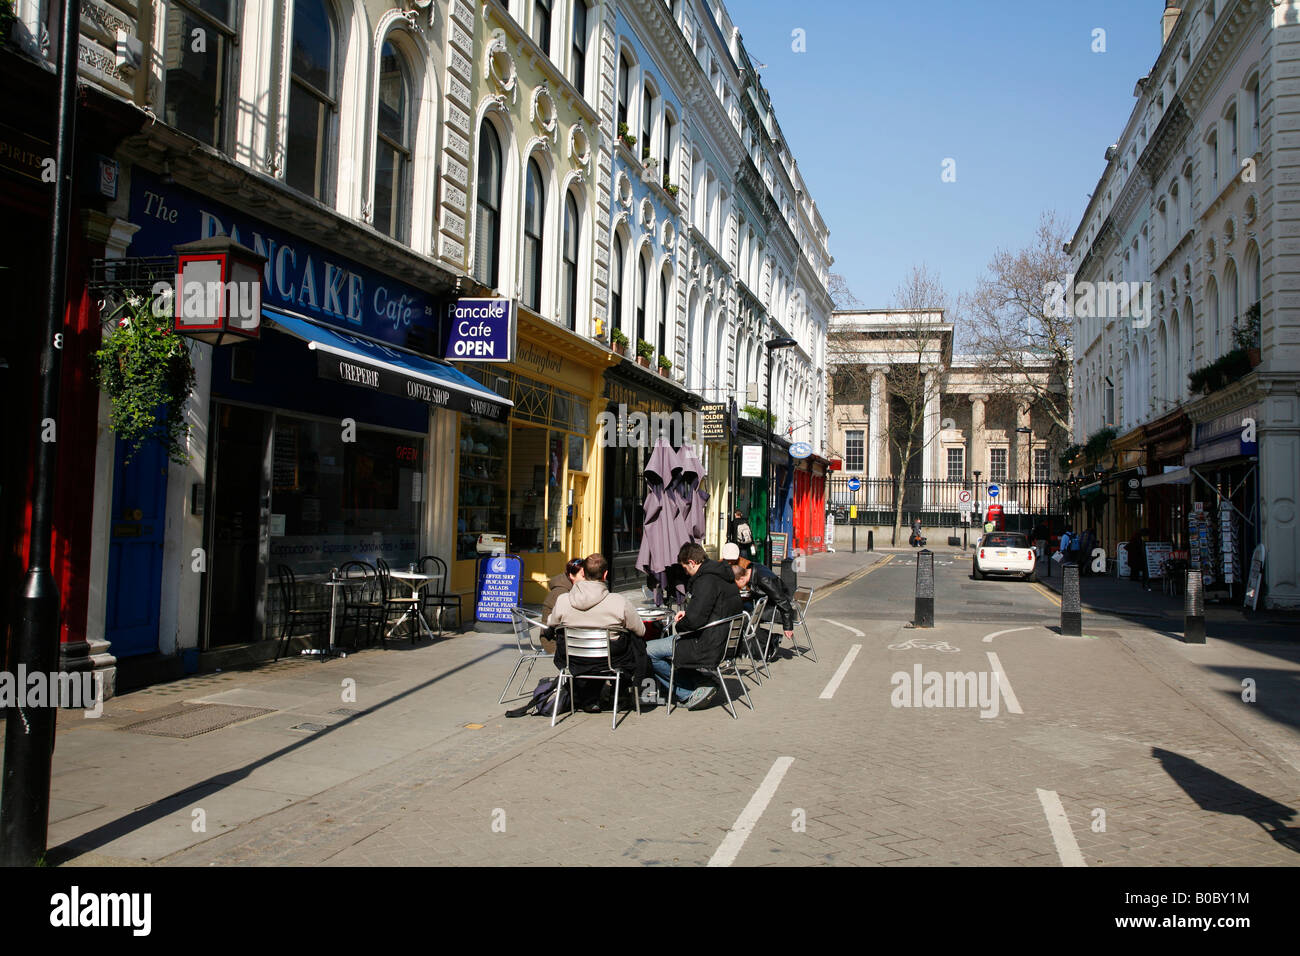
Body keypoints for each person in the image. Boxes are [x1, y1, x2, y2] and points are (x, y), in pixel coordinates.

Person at [645, 542, 743, 710]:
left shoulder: (706, 580)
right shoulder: (724, 576)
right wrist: (688, 615)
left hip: (707, 643)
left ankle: (686, 692)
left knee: (648, 650)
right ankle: (700, 680)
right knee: (667, 645)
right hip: (722, 640)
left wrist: (680, 625)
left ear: (692, 562)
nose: (686, 572)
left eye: (685, 568)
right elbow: (710, 610)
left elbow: (695, 621)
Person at [548, 553, 647, 712]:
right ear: (605, 574)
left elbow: (551, 623)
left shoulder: (563, 600)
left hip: (574, 659)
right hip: (609, 661)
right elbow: (641, 630)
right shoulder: (619, 601)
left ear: (584, 573)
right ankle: (620, 694)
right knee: (635, 641)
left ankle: (589, 698)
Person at [731, 563, 796, 661]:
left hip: (777, 608)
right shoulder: (751, 569)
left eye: (735, 584)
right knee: (744, 614)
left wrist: (788, 626)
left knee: (747, 618)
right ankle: (761, 644)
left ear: (741, 579)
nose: (737, 587)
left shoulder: (764, 579)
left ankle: (768, 641)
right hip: (769, 603)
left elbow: (782, 601)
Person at [540, 557, 584, 653]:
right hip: (553, 641)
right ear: (572, 575)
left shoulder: (573, 588)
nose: (587, 579)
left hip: (566, 637)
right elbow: (551, 625)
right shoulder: (561, 593)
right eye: (583, 576)